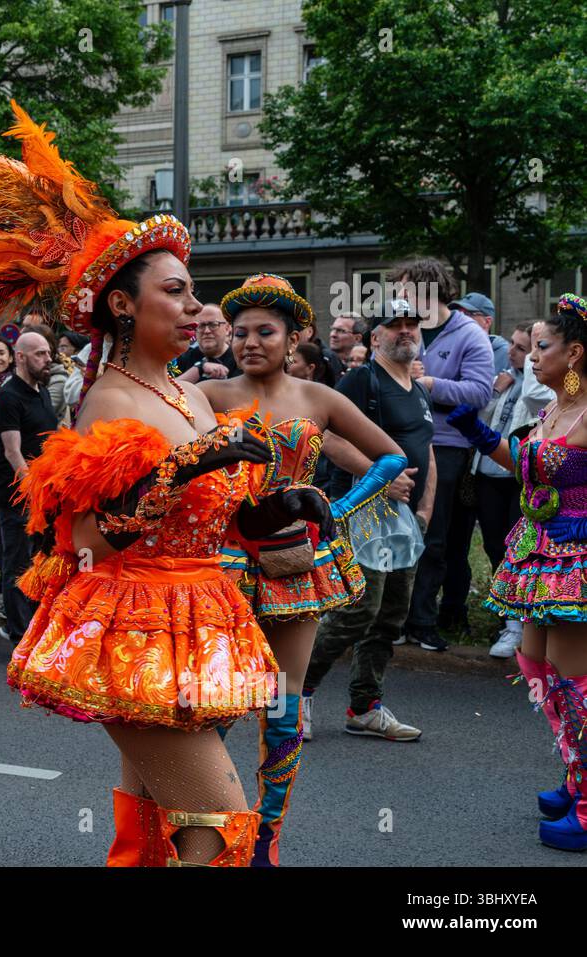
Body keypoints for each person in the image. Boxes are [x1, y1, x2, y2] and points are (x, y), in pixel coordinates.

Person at [0, 102, 331, 866]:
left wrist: (271, 510)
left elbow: (215, 516)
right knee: (223, 822)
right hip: (134, 624)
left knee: (154, 823)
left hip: (206, 615)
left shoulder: (193, 394)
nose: (196, 307)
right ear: (124, 304)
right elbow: (87, 538)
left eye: (193, 293)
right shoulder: (109, 401)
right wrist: (185, 467)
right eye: (177, 292)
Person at [200, 274, 406, 865]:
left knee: (283, 707)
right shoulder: (206, 396)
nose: (250, 343)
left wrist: (335, 507)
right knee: (216, 704)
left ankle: (266, 840)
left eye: (265, 332)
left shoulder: (319, 398)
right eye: (241, 332)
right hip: (223, 563)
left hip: (295, 563)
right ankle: (207, 832)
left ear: (294, 338)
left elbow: (391, 457)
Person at [448, 294, 587, 852]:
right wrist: (482, 436)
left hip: (575, 558)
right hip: (539, 553)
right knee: (535, 667)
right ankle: (576, 773)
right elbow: (527, 466)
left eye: (543, 345)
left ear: (574, 353)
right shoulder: (555, 408)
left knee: (574, 681)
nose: (531, 354)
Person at [303, 300, 435, 746]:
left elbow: (426, 448)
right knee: (357, 612)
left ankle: (364, 708)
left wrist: (426, 508)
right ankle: (294, 696)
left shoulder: (418, 389)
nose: (405, 331)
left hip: (405, 519)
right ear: (374, 337)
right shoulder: (362, 379)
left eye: (412, 324)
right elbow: (326, 435)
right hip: (362, 512)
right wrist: (382, 479)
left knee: (390, 617)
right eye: (394, 325)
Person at [395, 258, 494, 652]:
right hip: (399, 442)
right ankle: (393, 618)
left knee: (433, 535)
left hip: (447, 445)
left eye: (404, 289)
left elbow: (480, 392)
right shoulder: (401, 328)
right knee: (397, 531)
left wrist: (430, 383)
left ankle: (422, 620)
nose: (398, 297)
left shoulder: (469, 334)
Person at [441, 320, 553, 657]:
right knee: (495, 545)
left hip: (525, 483)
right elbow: (485, 419)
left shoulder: (546, 387)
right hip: (490, 473)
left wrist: (532, 359)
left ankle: (521, 624)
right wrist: (491, 393)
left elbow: (533, 399)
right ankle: (509, 618)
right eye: (515, 346)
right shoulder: (504, 379)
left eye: (528, 347)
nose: (516, 353)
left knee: (520, 549)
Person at [0, 331, 56, 644]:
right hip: (16, 494)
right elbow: (13, 452)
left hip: (42, 493)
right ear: (21, 357)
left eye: (48, 352)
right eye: (40, 354)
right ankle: (19, 635)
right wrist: (32, 491)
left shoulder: (43, 391)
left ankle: (33, 630)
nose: (48, 358)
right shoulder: (8, 396)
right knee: (17, 563)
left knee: (39, 561)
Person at [174, 303, 239, 382]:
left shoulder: (238, 359)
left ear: (227, 328)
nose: (206, 331)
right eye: (201, 325)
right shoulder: (183, 359)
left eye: (213, 325)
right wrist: (198, 369)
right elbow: (166, 387)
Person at [451, 291, 510, 374]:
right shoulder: (449, 349)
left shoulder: (507, 354)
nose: (459, 319)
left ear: (487, 322)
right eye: (458, 313)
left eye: (467, 314)